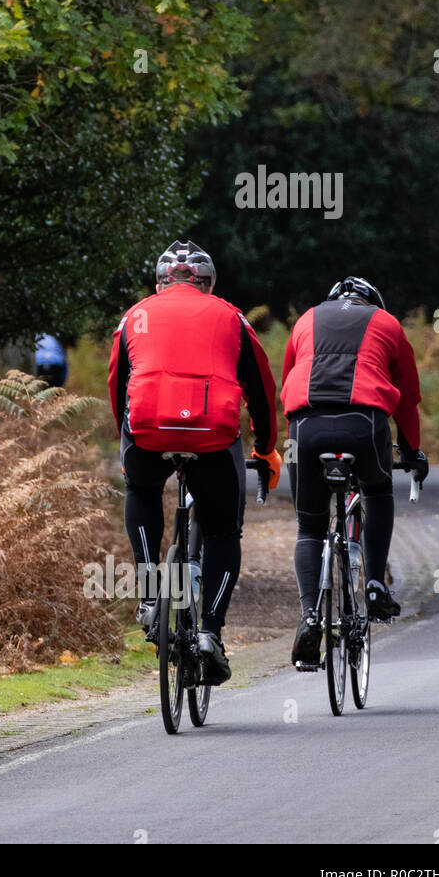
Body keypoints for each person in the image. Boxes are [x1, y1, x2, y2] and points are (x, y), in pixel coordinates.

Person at [108, 240, 280, 684]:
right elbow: (261, 388)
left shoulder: (134, 316)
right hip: (212, 434)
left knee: (142, 489)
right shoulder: (232, 317)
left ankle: (150, 595)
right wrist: (265, 447)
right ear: (208, 283)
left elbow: (117, 382)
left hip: (145, 431)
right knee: (224, 530)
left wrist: (124, 438)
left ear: (160, 281)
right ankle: (210, 632)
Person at [280, 276, 428, 667]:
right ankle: (376, 584)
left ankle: (311, 616)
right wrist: (412, 453)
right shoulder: (388, 323)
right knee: (378, 492)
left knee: (310, 528)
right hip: (365, 423)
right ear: (373, 303)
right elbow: (408, 399)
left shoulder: (306, 320)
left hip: (306, 427)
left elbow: (287, 385)